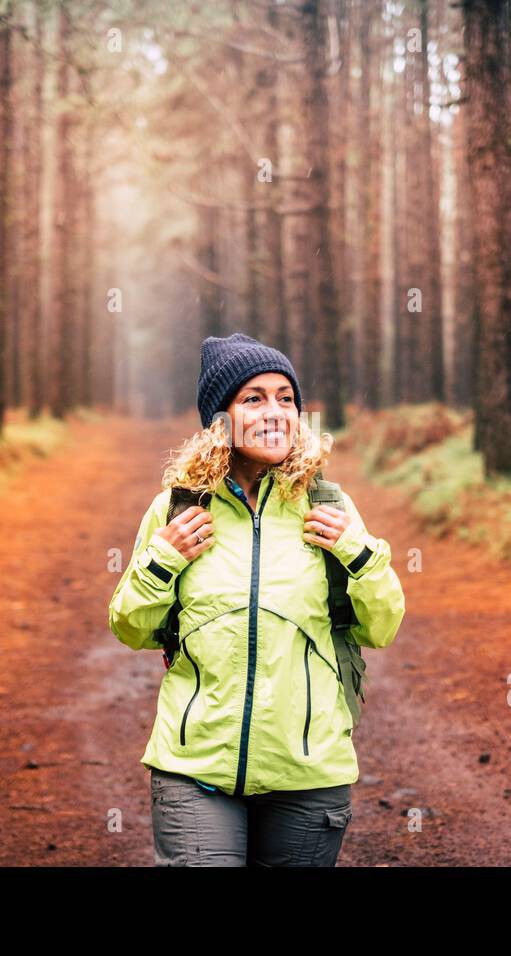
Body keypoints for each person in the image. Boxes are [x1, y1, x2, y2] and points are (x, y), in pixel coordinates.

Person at [107, 332, 407, 866]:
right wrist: (163, 560)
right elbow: (130, 627)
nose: (276, 413)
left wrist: (357, 553)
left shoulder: (326, 504)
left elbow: (380, 627)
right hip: (195, 768)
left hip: (308, 772)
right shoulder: (178, 509)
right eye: (253, 399)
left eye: (285, 398)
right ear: (219, 419)